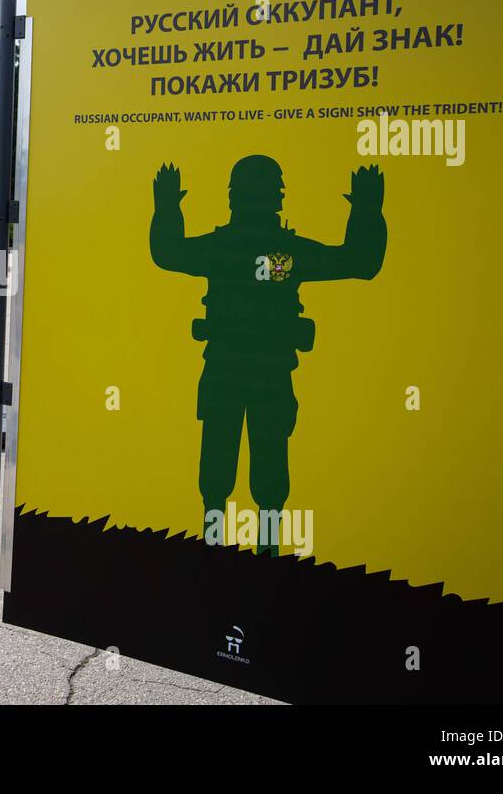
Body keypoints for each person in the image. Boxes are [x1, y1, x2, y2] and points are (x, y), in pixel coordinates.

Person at [150, 155, 386, 554]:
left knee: (232, 473)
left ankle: (228, 547)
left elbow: (169, 252)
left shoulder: (232, 251)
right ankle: (260, 549)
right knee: (254, 472)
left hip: (234, 371)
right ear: (278, 197)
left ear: (233, 197)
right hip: (264, 373)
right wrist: (366, 210)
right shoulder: (282, 256)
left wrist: (168, 205)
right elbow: (358, 261)